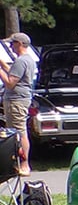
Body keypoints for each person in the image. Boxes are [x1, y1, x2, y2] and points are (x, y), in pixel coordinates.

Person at [0, 32, 36, 176]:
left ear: (19, 44)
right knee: (18, 131)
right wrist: (2, 63)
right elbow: (13, 74)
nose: (10, 46)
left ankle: (24, 165)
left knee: (19, 132)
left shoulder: (21, 61)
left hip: (16, 101)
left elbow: (10, 83)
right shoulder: (27, 59)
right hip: (20, 99)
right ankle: (19, 164)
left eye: (12, 43)